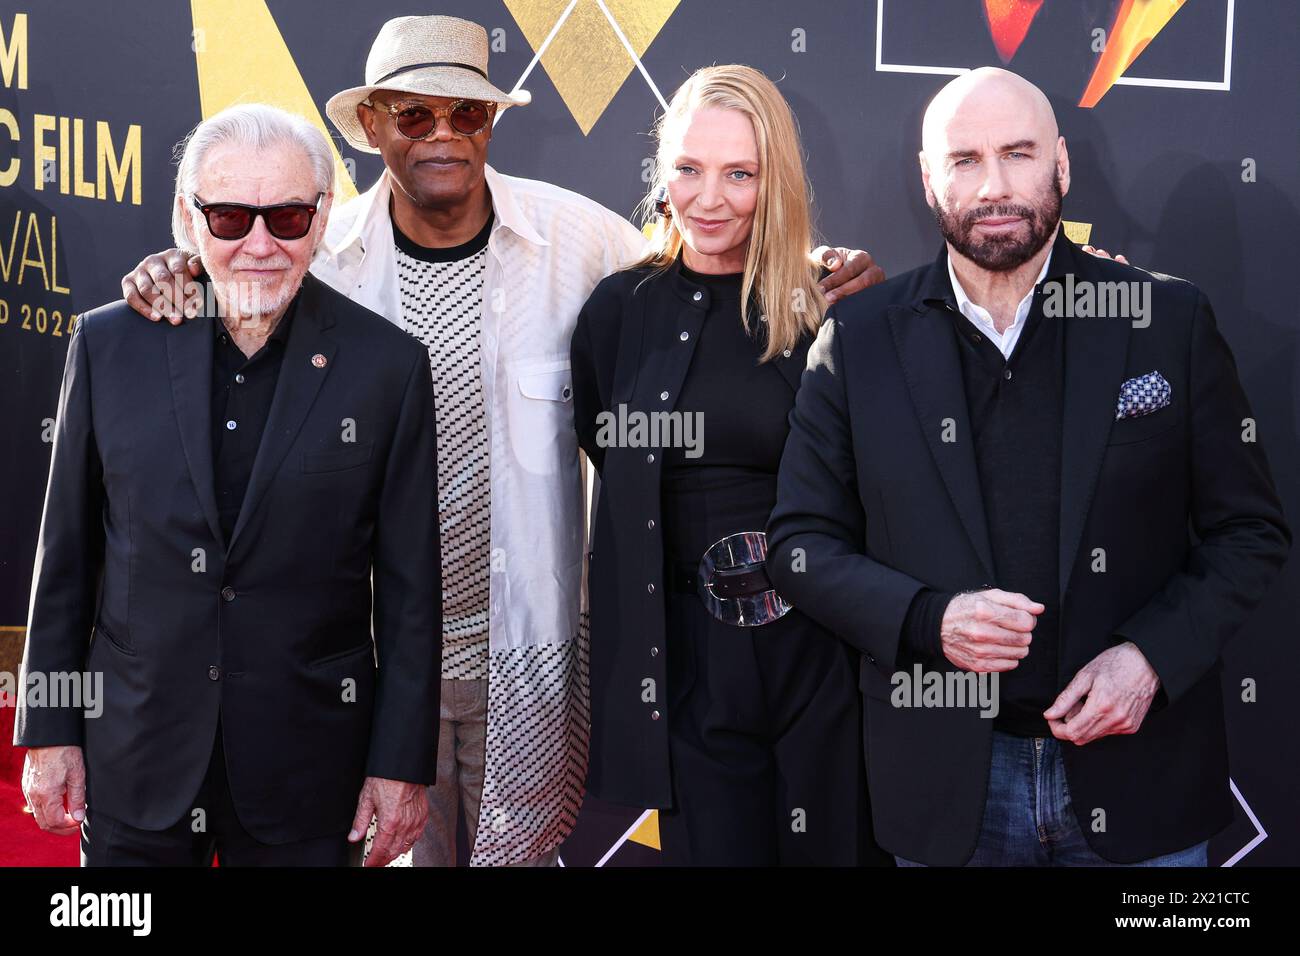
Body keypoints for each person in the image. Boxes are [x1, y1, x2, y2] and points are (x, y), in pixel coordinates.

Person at [119, 16, 886, 866]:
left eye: (467, 115)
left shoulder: (582, 242)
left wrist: (817, 268)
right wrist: (180, 263)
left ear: (492, 123)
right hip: (364, 664)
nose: (443, 137)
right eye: (415, 116)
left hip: (528, 656)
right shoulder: (315, 257)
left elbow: (703, 272)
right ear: (371, 127)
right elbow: (237, 276)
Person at [766, 68, 1291, 866]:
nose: (997, 186)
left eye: (1019, 154)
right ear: (928, 177)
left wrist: (1151, 655)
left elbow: (1248, 530)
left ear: (1063, 164)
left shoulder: (1165, 318)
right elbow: (801, 542)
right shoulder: (862, 339)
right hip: (945, 789)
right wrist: (926, 620)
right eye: (966, 160)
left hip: (1140, 772)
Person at [16, 103, 442, 866]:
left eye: (283, 217)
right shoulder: (108, 344)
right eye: (228, 218)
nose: (257, 245)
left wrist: (400, 764)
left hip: (311, 771)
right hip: (135, 756)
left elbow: (412, 595)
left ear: (321, 217)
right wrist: (49, 729)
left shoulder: (390, 369)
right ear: (187, 216)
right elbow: (67, 562)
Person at [571, 65, 882, 865]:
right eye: (688, 169)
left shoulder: (828, 306)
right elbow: (611, 457)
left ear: (773, 178)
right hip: (686, 667)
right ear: (662, 173)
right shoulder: (618, 311)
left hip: (823, 658)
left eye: (739, 174)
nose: (709, 199)